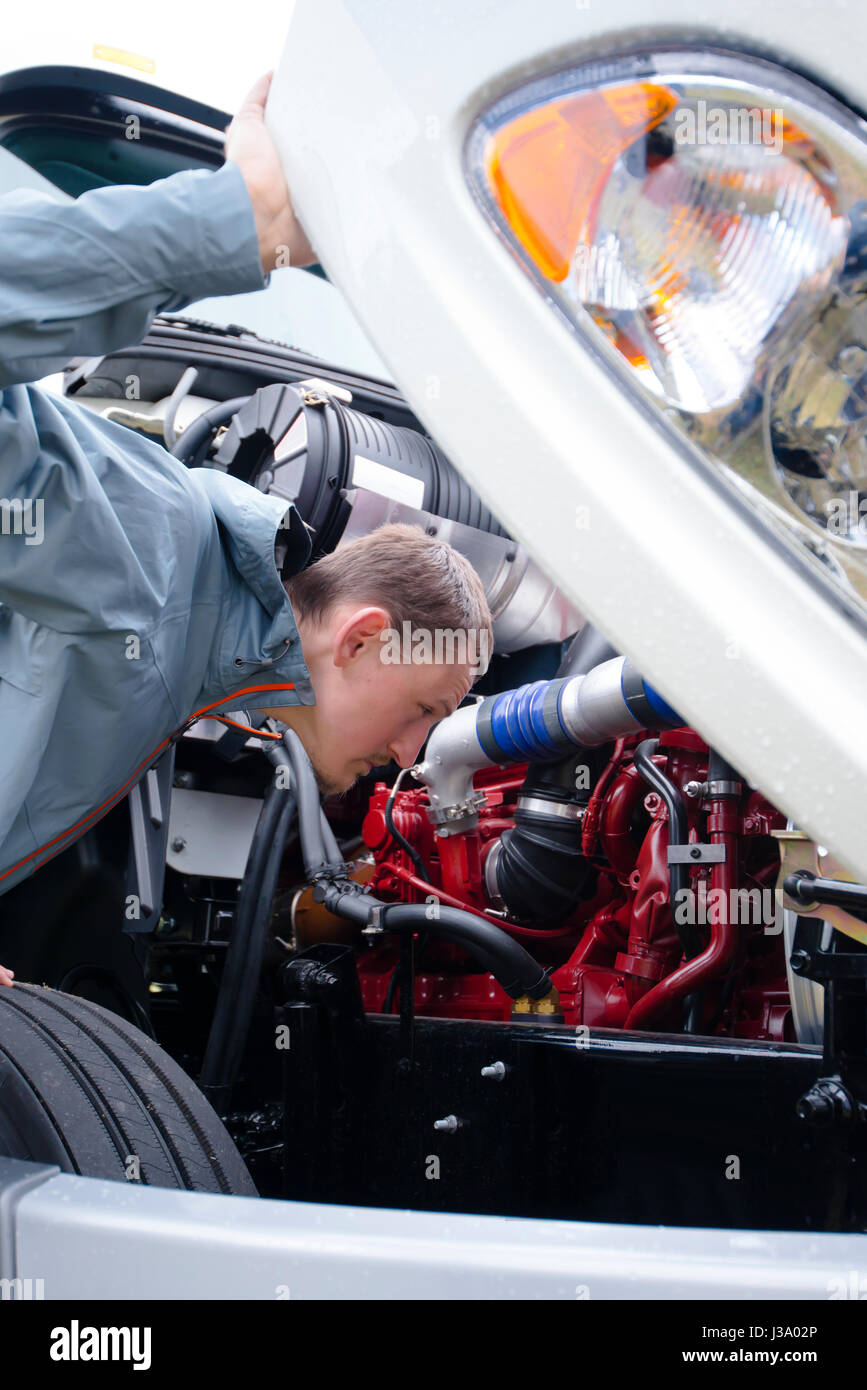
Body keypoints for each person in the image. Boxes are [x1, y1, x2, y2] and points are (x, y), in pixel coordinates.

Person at [0, 75, 491, 986]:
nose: (411, 756)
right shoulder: (151, 555)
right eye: (423, 710)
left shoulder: (193, 647)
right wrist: (237, 221)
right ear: (362, 637)